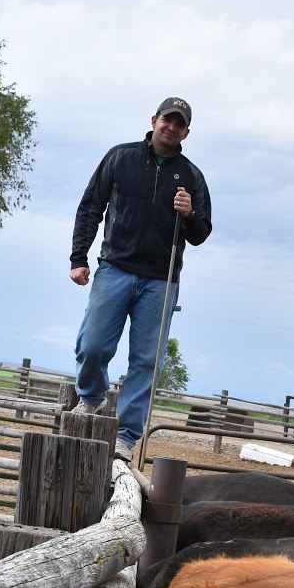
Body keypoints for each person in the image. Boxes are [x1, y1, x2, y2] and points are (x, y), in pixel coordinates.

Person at [70, 95, 213, 460]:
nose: (171, 126)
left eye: (179, 123)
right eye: (167, 119)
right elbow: (91, 207)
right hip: (115, 267)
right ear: (154, 120)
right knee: (93, 345)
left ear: (186, 132)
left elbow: (200, 233)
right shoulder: (120, 157)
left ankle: (126, 437)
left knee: (147, 361)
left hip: (161, 281)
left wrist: (189, 213)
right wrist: (79, 257)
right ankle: (92, 399)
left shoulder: (192, 177)